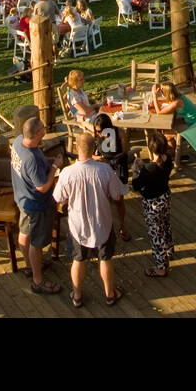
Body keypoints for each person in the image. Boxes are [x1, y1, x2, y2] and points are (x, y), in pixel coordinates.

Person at [54, 131, 126, 308]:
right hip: (102, 223)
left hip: (78, 225)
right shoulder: (105, 170)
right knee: (105, 258)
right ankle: (110, 294)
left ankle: (77, 295)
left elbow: (58, 198)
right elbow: (117, 196)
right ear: (94, 148)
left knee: (78, 259)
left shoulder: (67, 173)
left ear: (77, 148)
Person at [10, 117, 61, 295]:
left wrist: (46, 161)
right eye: (43, 127)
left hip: (22, 198)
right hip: (36, 204)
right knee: (37, 243)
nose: (45, 128)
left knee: (24, 233)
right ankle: (38, 281)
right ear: (38, 133)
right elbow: (43, 187)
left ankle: (29, 266)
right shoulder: (31, 159)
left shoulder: (18, 142)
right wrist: (54, 166)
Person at [131, 134, 174, 278]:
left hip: (152, 204)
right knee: (165, 225)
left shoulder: (149, 169)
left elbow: (136, 185)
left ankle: (161, 267)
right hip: (165, 197)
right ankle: (169, 250)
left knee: (156, 234)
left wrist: (136, 171)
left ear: (150, 149)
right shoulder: (167, 160)